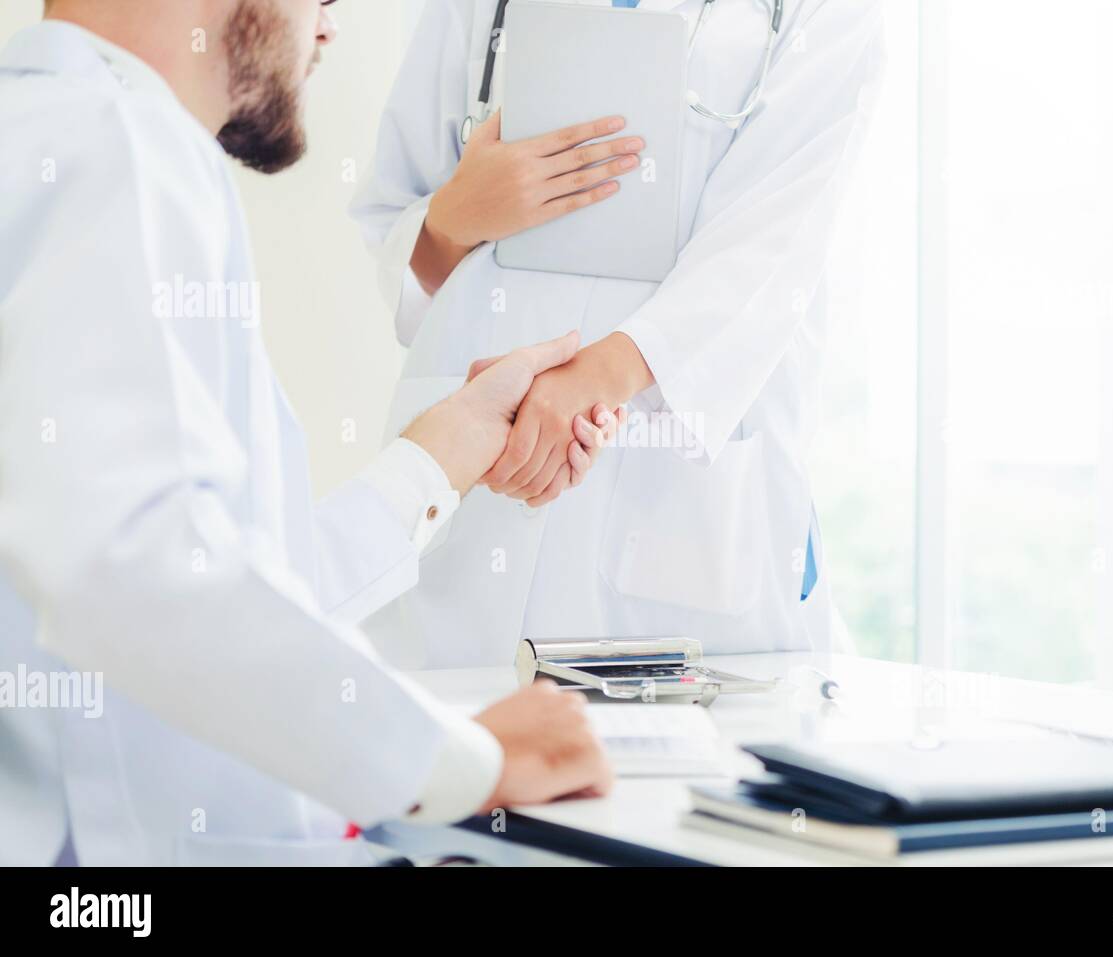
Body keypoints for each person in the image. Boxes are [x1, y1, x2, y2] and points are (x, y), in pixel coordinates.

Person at [0, 0, 618, 867]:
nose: (329, 28)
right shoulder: (123, 143)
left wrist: (437, 460)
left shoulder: (44, 133)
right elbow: (132, 567)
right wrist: (465, 760)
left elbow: (217, 579)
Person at [351, 0, 885, 669]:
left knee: (684, 756)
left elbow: (773, 245)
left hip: (670, 469)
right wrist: (459, 214)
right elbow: (399, 234)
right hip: (484, 463)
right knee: (457, 749)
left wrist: (598, 377)